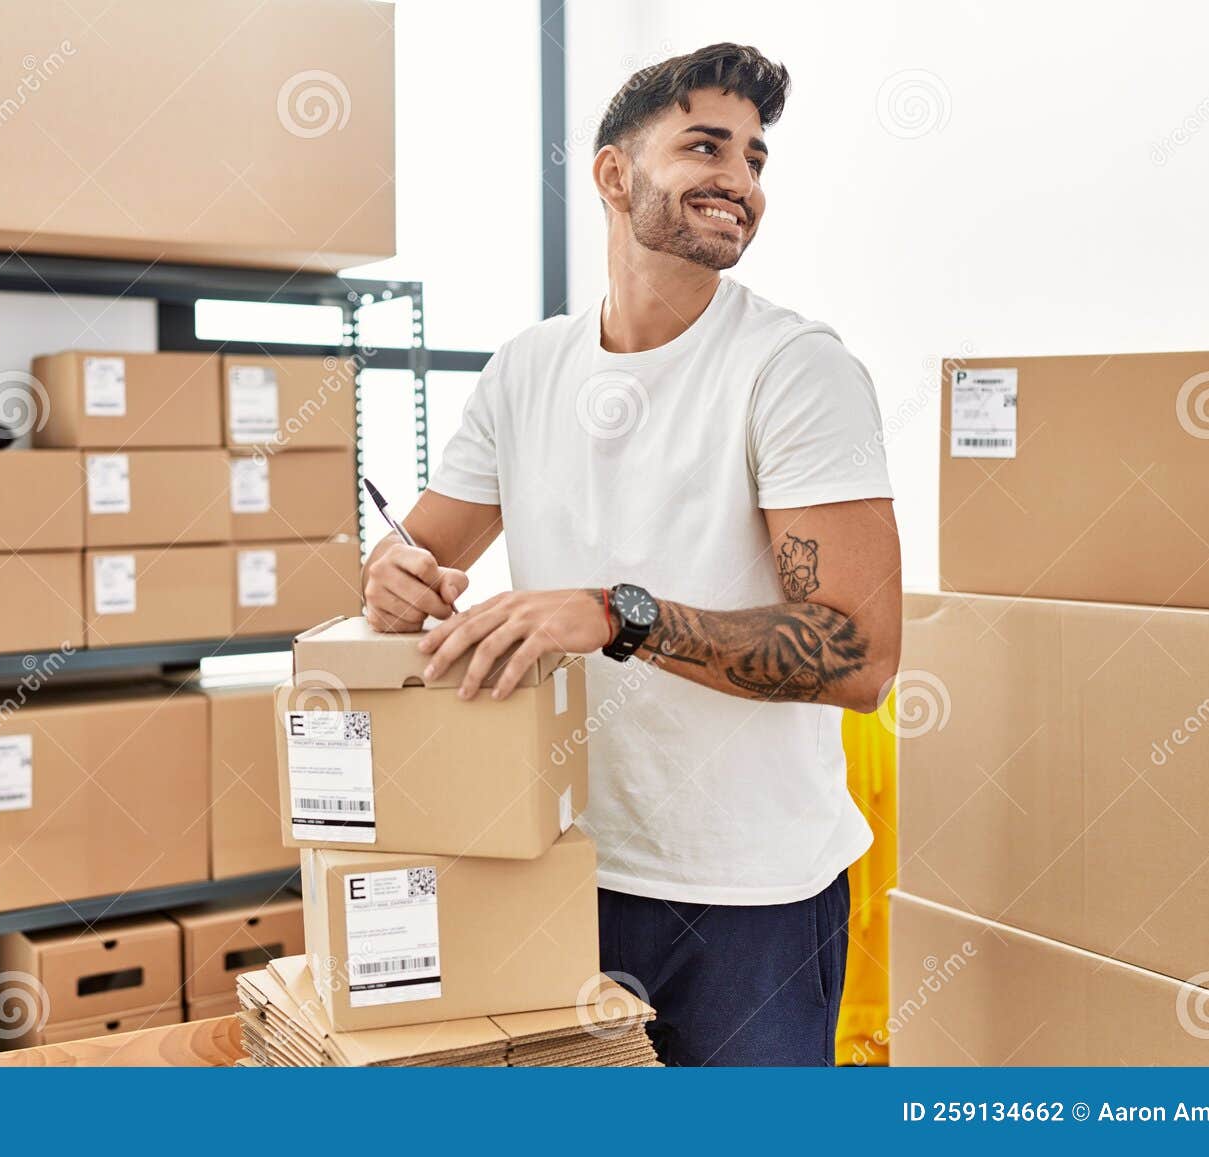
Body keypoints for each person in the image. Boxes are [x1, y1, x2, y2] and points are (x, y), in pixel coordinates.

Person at [361, 42, 901, 1067]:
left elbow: (858, 653)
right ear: (613, 174)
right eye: (707, 147)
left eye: (754, 157)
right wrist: (387, 577)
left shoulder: (794, 370)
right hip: (554, 864)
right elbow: (418, 551)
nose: (739, 181)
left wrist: (618, 613)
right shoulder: (527, 368)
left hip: (747, 893)